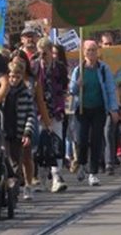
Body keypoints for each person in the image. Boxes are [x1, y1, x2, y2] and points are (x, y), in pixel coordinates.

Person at [67, 39, 119, 186]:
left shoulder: (103, 69)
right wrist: (77, 85)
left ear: (98, 52)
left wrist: (113, 109)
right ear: (83, 52)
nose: (91, 53)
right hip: (82, 109)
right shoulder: (78, 70)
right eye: (88, 50)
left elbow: (110, 89)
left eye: (94, 50)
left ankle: (93, 172)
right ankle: (82, 164)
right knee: (81, 139)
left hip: (98, 109)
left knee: (96, 139)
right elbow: (71, 90)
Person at [4, 57, 38, 199]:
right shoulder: (4, 92)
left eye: (16, 77)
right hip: (7, 130)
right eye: (11, 76)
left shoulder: (26, 92)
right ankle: (14, 187)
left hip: (22, 130)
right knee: (11, 161)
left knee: (25, 158)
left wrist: (28, 132)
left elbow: (31, 114)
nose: (13, 79)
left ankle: (28, 185)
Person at [38, 40, 70, 192]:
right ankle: (41, 176)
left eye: (44, 52)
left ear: (51, 51)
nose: (42, 56)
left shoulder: (60, 68)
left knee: (56, 143)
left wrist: (60, 107)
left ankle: (56, 175)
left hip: (56, 110)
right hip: (39, 110)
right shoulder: (35, 67)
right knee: (41, 145)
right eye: (39, 52)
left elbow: (63, 89)